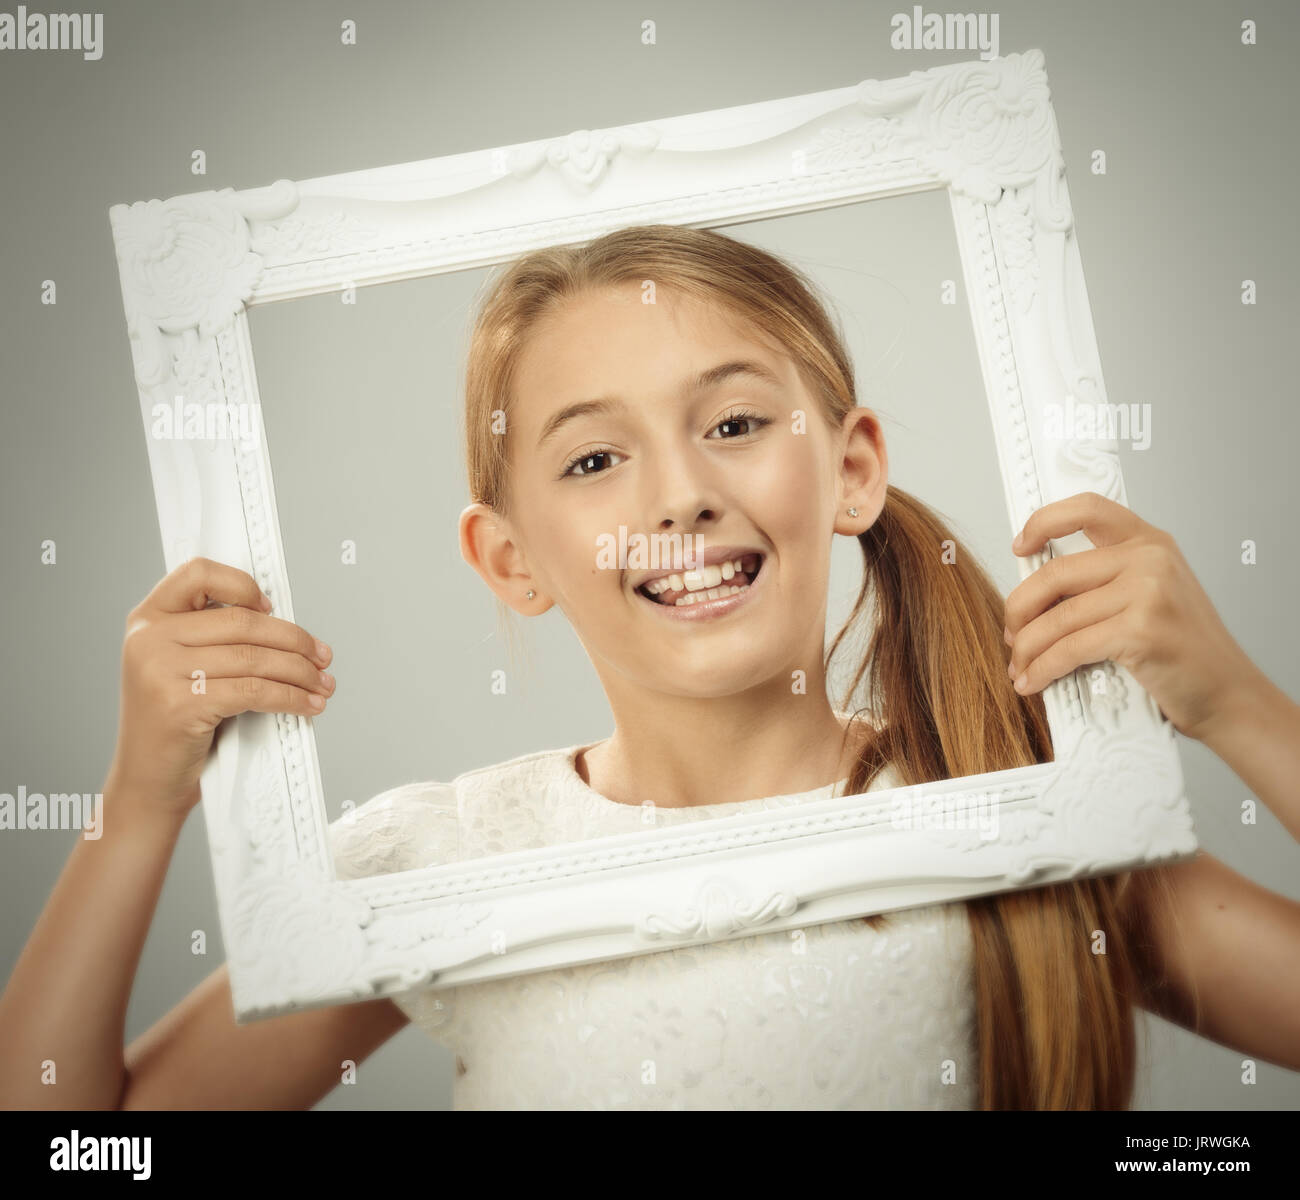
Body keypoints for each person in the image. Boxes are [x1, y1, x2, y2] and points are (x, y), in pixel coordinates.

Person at [2, 225, 1297, 1110]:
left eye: (733, 422)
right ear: (512, 558)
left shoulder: (1016, 801)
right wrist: (139, 803)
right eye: (593, 458)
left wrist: (1240, 706)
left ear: (850, 470)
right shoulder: (441, 863)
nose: (679, 493)